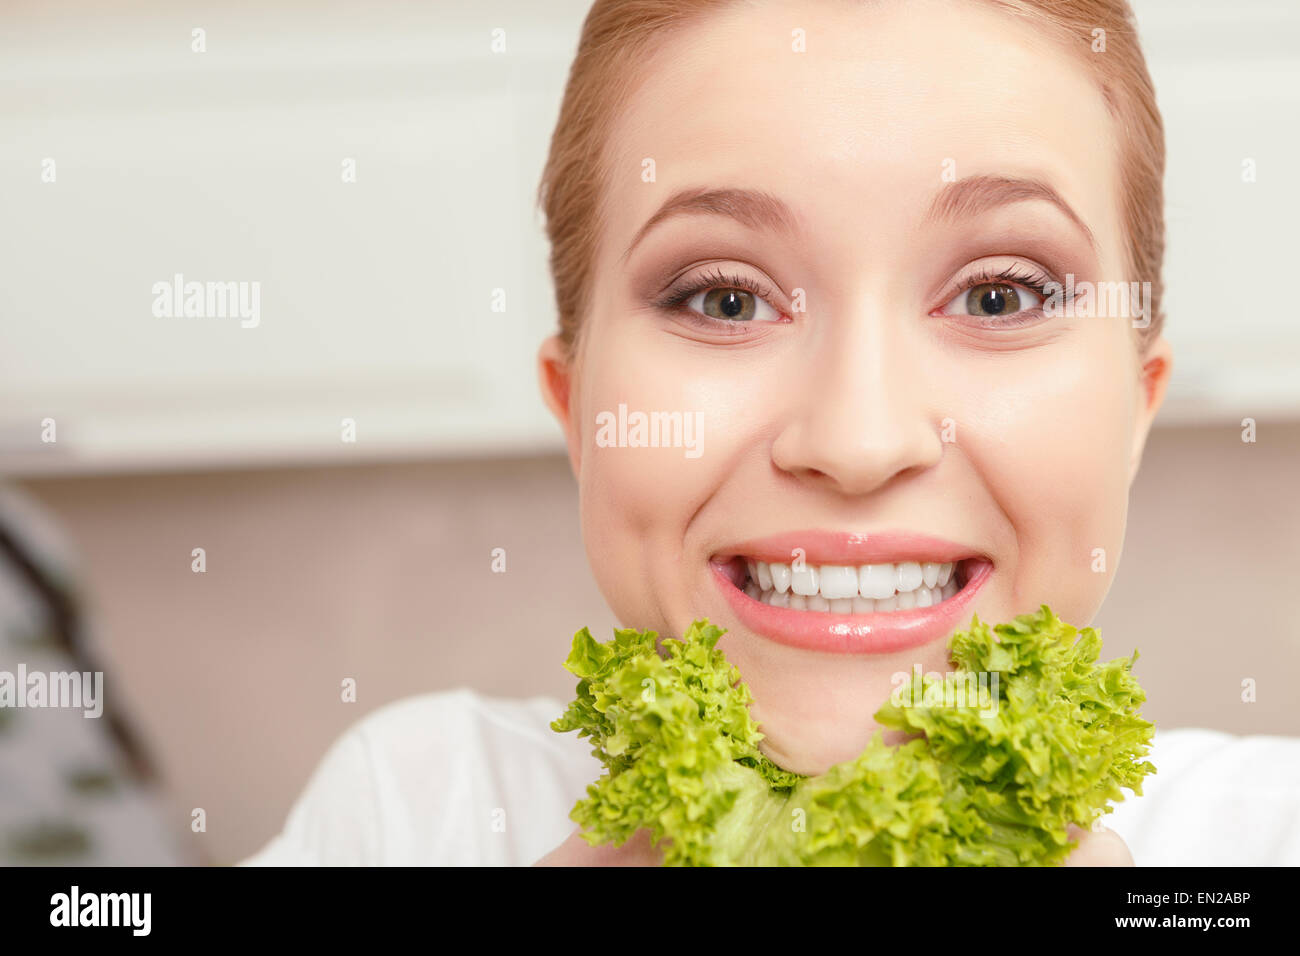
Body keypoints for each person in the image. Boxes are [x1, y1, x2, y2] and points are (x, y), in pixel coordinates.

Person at [241, 0, 1300, 867]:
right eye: (725, 300)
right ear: (577, 411)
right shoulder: (408, 811)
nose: (857, 439)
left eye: (995, 296)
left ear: (1136, 405)